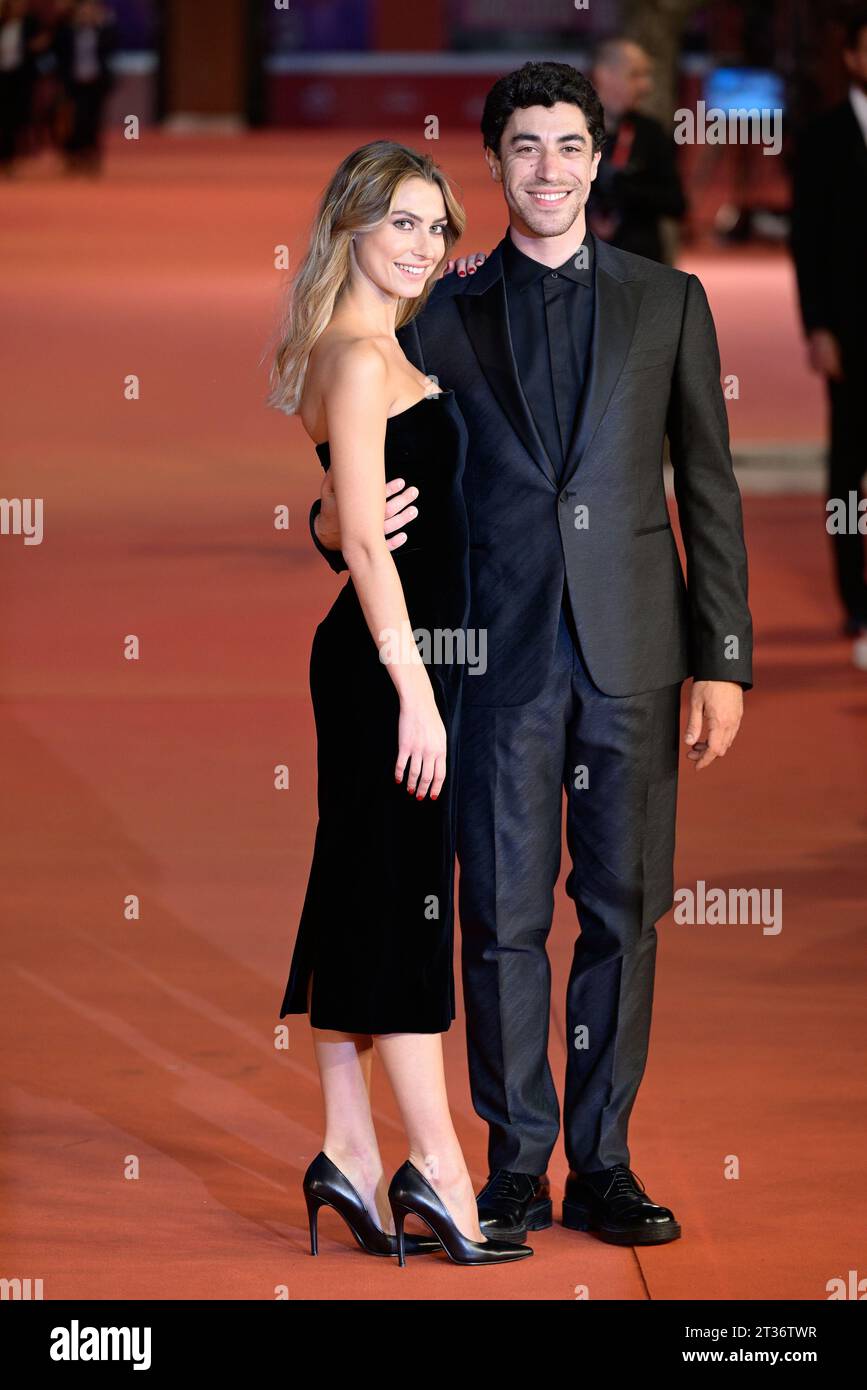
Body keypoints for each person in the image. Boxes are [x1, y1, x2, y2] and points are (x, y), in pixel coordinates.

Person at [311, 62, 753, 1248]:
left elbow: (707, 485)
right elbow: (369, 447)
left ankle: (603, 1162)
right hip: (489, 662)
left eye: (568, 146)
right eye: (523, 149)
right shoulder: (438, 310)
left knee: (623, 911)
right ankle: (513, 1165)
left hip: (634, 657)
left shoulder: (671, 302)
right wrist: (324, 521)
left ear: (600, 160)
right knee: (500, 917)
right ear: (494, 166)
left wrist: (722, 657)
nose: (548, 170)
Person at [268, 140, 532, 1268]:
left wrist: (330, 525)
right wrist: (416, 695)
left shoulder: (371, 343)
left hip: (405, 661)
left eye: (438, 227)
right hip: (393, 669)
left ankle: (347, 1149)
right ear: (352, 226)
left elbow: (344, 515)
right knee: (410, 894)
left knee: (366, 885)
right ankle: (437, 1163)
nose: (425, 247)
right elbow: (367, 541)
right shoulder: (362, 356)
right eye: (405, 224)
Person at [790, 9, 867, 667]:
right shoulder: (822, 138)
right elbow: (805, 245)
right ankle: (853, 600)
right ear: (849, 57)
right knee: (848, 471)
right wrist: (816, 327)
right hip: (850, 335)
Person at [587, 38, 686, 264]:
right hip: (583, 269)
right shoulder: (572, 131)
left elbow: (677, 203)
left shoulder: (650, 132)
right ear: (604, 75)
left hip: (640, 267)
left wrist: (627, 190)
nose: (646, 86)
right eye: (635, 75)